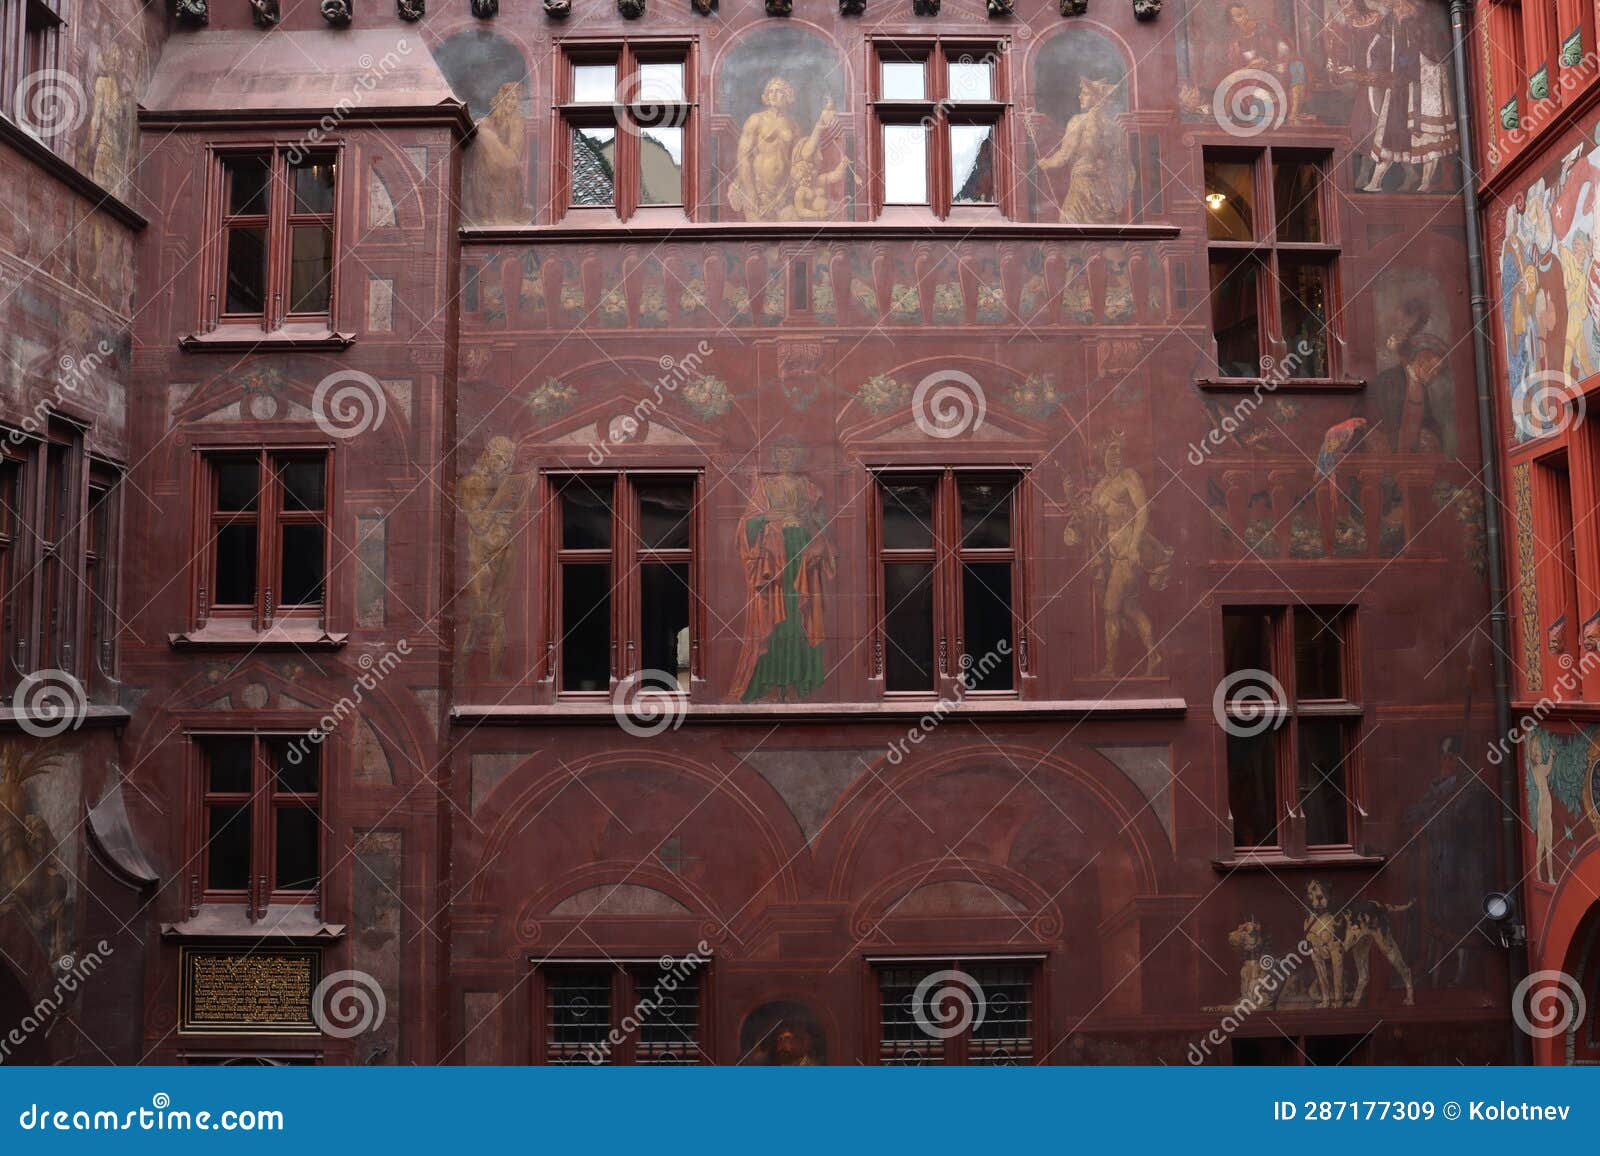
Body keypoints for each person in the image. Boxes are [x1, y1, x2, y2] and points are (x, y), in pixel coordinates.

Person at [732, 439, 835, 701]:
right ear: (776, 456)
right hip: (774, 555)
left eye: (791, 450)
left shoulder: (808, 487)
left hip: (801, 551)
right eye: (782, 451)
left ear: (799, 454)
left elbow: (822, 525)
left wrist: (818, 543)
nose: (787, 455)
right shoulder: (765, 486)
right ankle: (774, 683)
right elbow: (746, 526)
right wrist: (766, 517)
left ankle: (797, 682)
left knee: (800, 619)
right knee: (775, 618)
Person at [1037, 76, 1133, 224]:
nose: (1080, 96)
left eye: (1085, 93)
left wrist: (1044, 163)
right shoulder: (1115, 128)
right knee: (1101, 230)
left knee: (1070, 226)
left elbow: (1064, 156)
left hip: (1083, 185)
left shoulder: (1078, 121)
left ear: (1096, 98)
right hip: (1106, 191)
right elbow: (1125, 166)